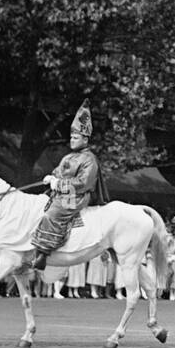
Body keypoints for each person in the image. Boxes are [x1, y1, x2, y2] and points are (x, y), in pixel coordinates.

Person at [30, 104, 109, 272]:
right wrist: (52, 177)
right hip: (59, 193)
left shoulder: (90, 160)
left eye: (75, 137)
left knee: (52, 213)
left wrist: (58, 184)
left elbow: (83, 183)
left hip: (76, 196)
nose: (71, 139)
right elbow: (58, 172)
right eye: (71, 137)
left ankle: (43, 252)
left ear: (85, 139)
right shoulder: (69, 156)